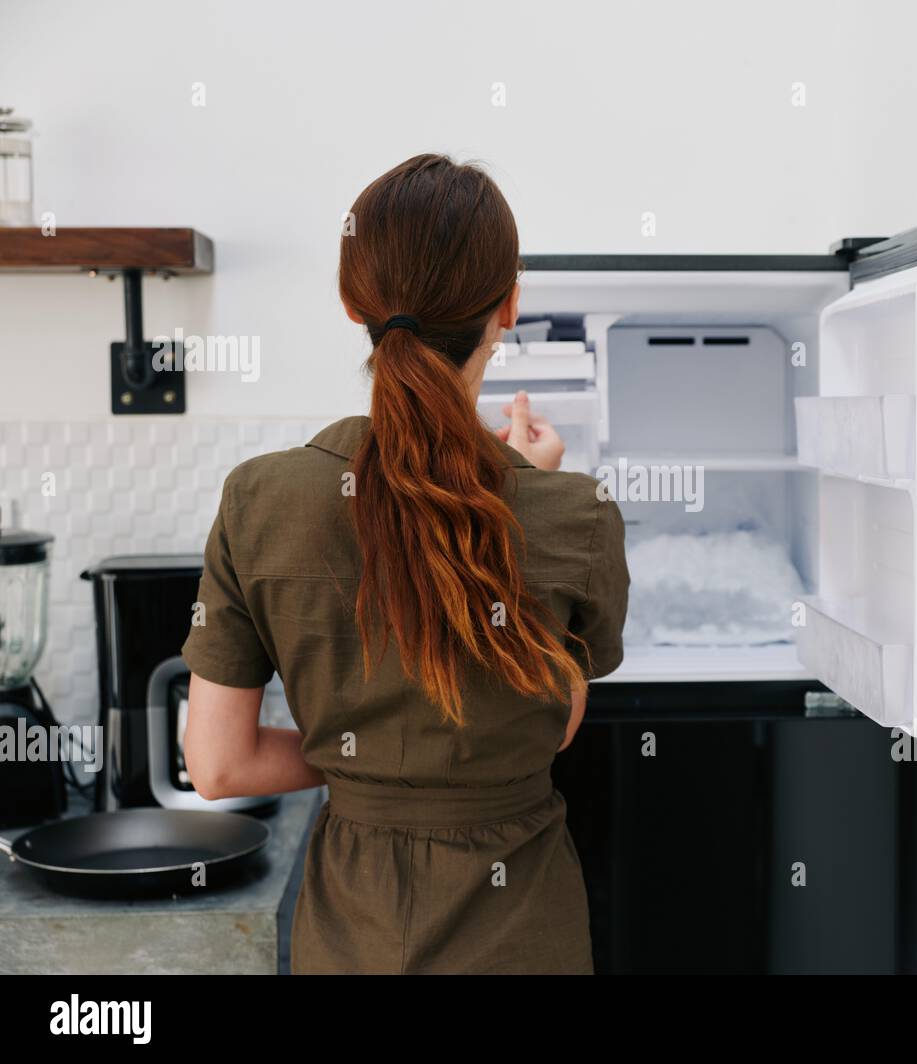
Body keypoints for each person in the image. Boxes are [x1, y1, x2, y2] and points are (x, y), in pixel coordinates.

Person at [180, 153, 629, 975]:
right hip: (523, 934)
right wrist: (535, 482)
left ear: (354, 303)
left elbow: (216, 767)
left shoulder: (258, 499)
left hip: (351, 932)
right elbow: (553, 729)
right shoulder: (577, 514)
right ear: (510, 307)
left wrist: (365, 753)